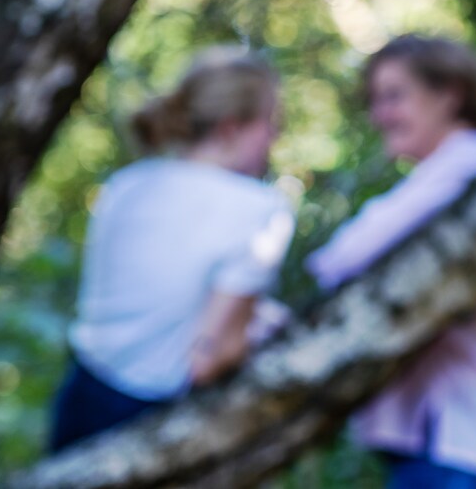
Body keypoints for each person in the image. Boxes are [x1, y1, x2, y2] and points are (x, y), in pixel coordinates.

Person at [306, 35, 476, 488]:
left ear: (449, 94)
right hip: (440, 440)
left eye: (394, 96)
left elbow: (345, 259)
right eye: (376, 100)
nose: (381, 115)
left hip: (458, 439)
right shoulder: (446, 173)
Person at [49, 46, 295, 452]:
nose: (274, 140)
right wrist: (264, 330)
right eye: (270, 125)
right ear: (232, 128)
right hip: (151, 420)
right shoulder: (259, 210)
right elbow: (208, 361)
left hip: (81, 394)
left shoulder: (126, 186)